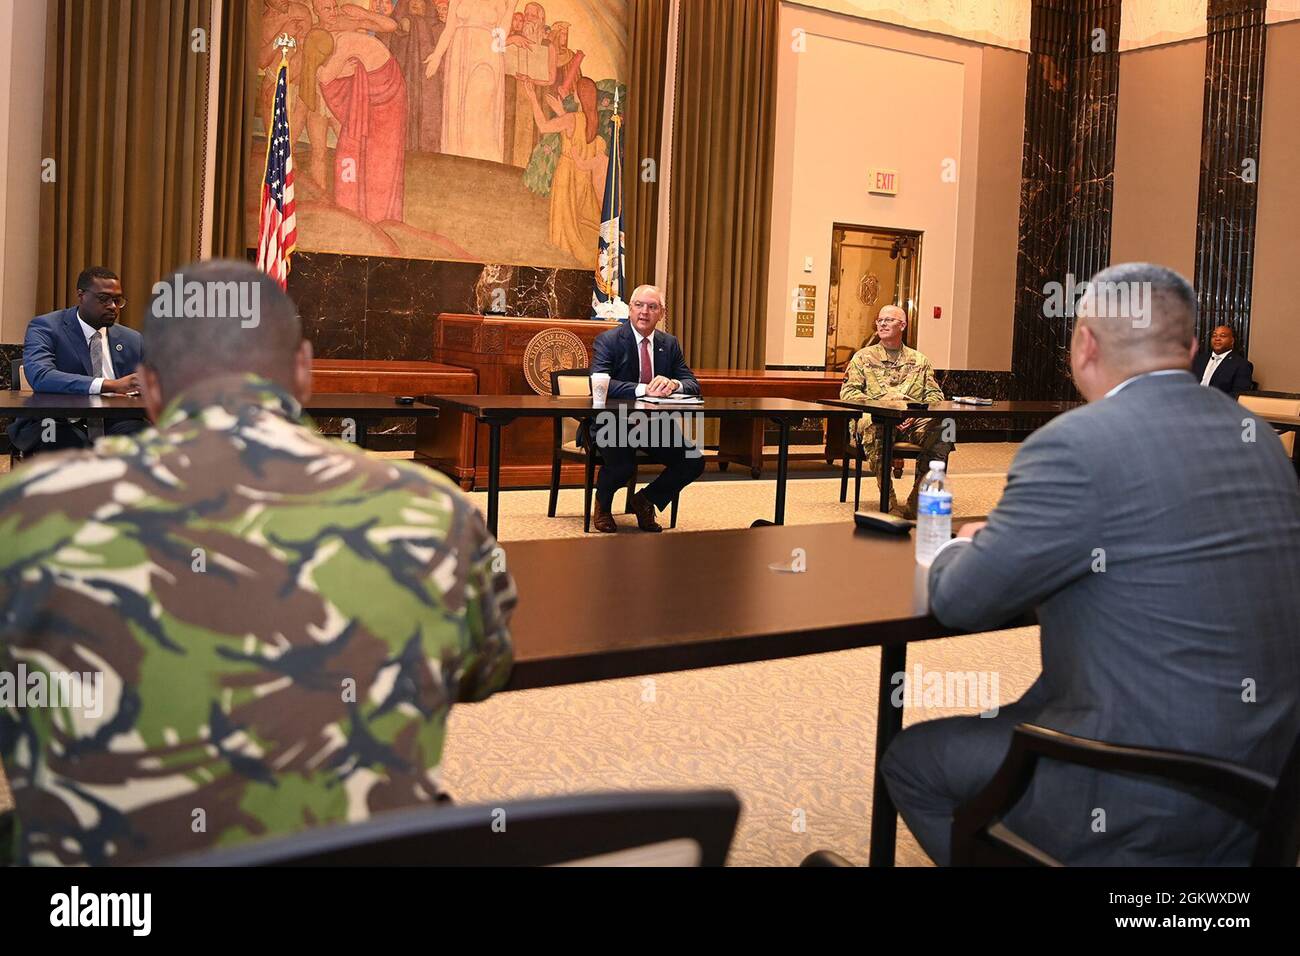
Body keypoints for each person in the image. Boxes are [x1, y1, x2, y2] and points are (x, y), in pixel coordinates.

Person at [0, 260, 515, 866]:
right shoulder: (435, 511)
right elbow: (485, 671)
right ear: (302, 373)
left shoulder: (29, 513)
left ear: (153, 387)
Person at [881, 262, 1300, 866]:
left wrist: (965, 545)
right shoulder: (1256, 436)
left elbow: (963, 601)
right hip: (1266, 783)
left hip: (1138, 788)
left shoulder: (1074, 443)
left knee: (914, 762)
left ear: (1084, 346)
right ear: (1187, 346)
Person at [587, 285, 703, 533]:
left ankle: (646, 500)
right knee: (623, 465)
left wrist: (674, 383)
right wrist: (643, 389)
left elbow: (693, 384)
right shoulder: (608, 341)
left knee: (693, 460)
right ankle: (603, 506)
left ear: (661, 313)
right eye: (639, 305)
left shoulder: (669, 344)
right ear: (630, 309)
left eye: (652, 307)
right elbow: (599, 382)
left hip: (654, 426)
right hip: (612, 422)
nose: (644, 312)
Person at [6, 266, 148, 456]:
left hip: (115, 421)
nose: (113, 306)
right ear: (81, 295)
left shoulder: (132, 339)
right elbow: (41, 376)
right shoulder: (46, 327)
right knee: (67, 446)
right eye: (104, 299)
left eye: (117, 300)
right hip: (55, 421)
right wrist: (110, 385)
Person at [839, 305, 952, 518]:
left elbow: (935, 397)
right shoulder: (862, 358)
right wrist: (886, 405)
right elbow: (848, 393)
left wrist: (916, 413)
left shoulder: (919, 360)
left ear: (903, 325)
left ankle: (917, 499)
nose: (881, 323)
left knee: (947, 427)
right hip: (877, 419)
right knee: (874, 426)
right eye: (879, 320)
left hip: (911, 421)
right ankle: (888, 501)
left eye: (889, 320)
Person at [1191, 324, 1254, 397]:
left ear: (1232, 341)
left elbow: (1239, 394)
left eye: (1223, 336)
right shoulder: (1199, 360)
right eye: (1214, 336)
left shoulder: (1242, 365)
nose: (1217, 338)